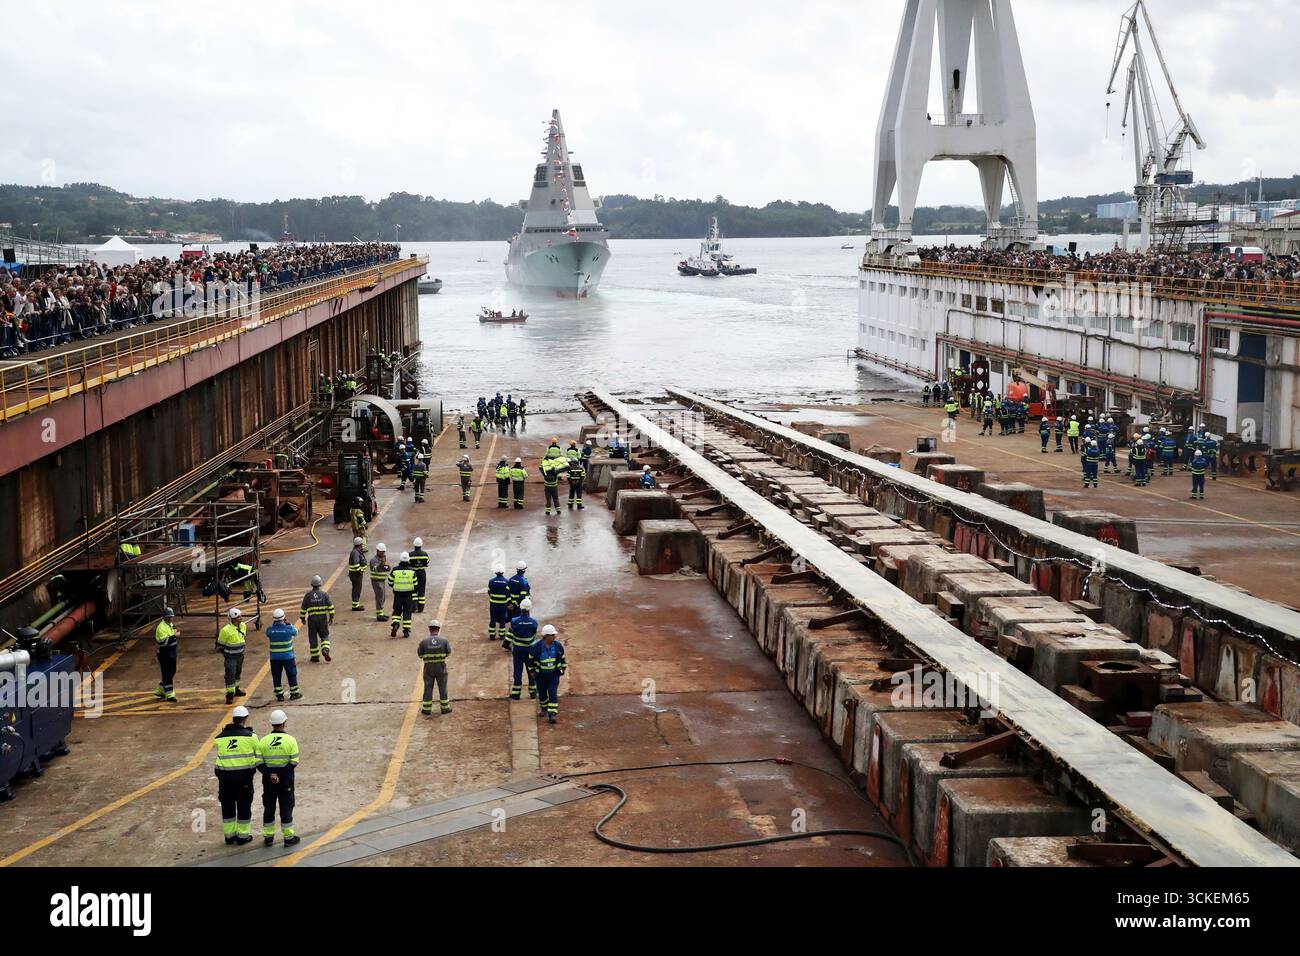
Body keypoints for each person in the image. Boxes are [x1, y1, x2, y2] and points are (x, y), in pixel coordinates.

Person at [214, 705, 259, 845]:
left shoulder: (219, 738)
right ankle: (243, 836)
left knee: (227, 807)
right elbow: (258, 755)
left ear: (233, 719)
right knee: (244, 806)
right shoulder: (251, 737)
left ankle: (229, 836)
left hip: (225, 779)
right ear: (245, 719)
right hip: (243, 779)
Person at [257, 709, 301, 847]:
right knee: (286, 808)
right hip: (285, 781)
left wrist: (271, 775)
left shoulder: (263, 741)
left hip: (268, 782)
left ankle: (268, 837)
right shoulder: (291, 740)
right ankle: (288, 838)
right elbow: (294, 762)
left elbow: (258, 762)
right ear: (284, 723)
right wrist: (280, 775)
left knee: (269, 808)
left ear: (271, 724)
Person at [528, 624, 567, 725]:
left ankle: (552, 714)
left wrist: (563, 668)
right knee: (542, 693)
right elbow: (531, 660)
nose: (554, 637)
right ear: (546, 636)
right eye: (552, 635)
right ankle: (544, 708)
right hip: (540, 675)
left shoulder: (558, 646)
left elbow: (562, 658)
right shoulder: (536, 647)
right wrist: (532, 672)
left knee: (552, 694)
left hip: (553, 675)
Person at [417, 621, 453, 716]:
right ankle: (445, 708)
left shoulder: (423, 642)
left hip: (428, 668)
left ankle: (426, 709)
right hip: (441, 667)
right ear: (438, 629)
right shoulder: (444, 641)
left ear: (430, 629)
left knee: (428, 687)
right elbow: (448, 653)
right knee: (443, 687)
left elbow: (420, 655)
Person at [266, 608, 301, 702]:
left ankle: (279, 695)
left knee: (276, 675)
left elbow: (268, 633)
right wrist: (289, 624)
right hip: (288, 657)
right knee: (291, 674)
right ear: (284, 618)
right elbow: (295, 632)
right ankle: (294, 693)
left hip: (275, 658)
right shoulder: (289, 629)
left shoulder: (270, 630)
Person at [506, 599, 538, 698]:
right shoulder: (534, 622)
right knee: (531, 670)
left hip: (518, 651)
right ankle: (533, 692)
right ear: (529, 610)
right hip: (530, 651)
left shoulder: (514, 621)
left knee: (518, 671)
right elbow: (533, 634)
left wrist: (506, 644)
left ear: (520, 608)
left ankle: (516, 693)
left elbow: (511, 634)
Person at [216, 607, 248, 705]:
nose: (240, 618)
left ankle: (236, 689)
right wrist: (227, 655)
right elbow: (219, 646)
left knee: (238, 673)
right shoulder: (225, 631)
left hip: (240, 656)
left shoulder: (243, 626)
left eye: (240, 616)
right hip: (230, 657)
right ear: (233, 619)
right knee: (230, 674)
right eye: (238, 617)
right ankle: (230, 695)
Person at [300, 574, 335, 663]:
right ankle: (325, 650)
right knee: (325, 635)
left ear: (312, 584)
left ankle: (315, 657)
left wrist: (302, 618)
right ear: (320, 584)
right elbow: (331, 607)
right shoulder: (324, 595)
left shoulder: (308, 596)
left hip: (312, 620)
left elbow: (303, 608)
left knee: (313, 638)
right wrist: (331, 617)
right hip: (322, 619)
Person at [388, 552, 417, 638]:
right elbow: (415, 584)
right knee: (407, 612)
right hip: (408, 596)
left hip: (398, 595)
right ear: (408, 560)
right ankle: (406, 631)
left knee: (396, 611)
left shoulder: (395, 570)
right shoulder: (412, 571)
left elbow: (390, 582)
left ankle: (395, 625)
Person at [154, 606, 179, 702]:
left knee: (172, 671)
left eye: (171, 617)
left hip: (172, 652)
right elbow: (163, 642)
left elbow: (174, 630)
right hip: (164, 653)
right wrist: (174, 636)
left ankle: (160, 689)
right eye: (169, 617)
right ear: (164, 617)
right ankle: (170, 695)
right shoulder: (161, 628)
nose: (171, 619)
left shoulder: (170, 624)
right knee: (168, 673)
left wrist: (175, 632)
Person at [487, 564, 513, 642]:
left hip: (493, 604)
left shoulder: (491, 581)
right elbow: (508, 594)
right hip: (503, 604)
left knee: (493, 619)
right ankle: (502, 635)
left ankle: (492, 635)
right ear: (503, 572)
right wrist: (509, 604)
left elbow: (489, 592)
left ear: (495, 572)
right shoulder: (506, 582)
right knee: (502, 619)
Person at [369, 543, 391, 623]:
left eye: (384, 552)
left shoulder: (384, 558)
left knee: (383, 597)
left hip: (382, 580)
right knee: (379, 597)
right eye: (381, 552)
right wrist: (381, 564)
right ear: (377, 551)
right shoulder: (373, 560)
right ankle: (379, 615)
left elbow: (387, 567)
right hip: (376, 581)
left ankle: (381, 613)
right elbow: (375, 569)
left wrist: (387, 566)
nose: (383, 553)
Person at [409, 538, 430, 612]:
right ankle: (420, 608)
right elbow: (427, 563)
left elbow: (408, 564)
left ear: (414, 545)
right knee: (421, 590)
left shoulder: (410, 555)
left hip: (413, 573)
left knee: (413, 590)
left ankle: (413, 607)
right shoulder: (424, 554)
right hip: (422, 573)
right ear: (421, 545)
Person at [347, 537, 367, 612]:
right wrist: (360, 570)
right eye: (362, 544)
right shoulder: (355, 552)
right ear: (359, 544)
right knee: (357, 589)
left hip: (355, 574)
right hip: (356, 575)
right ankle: (355, 606)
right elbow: (356, 564)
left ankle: (355, 604)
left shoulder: (357, 551)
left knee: (357, 589)